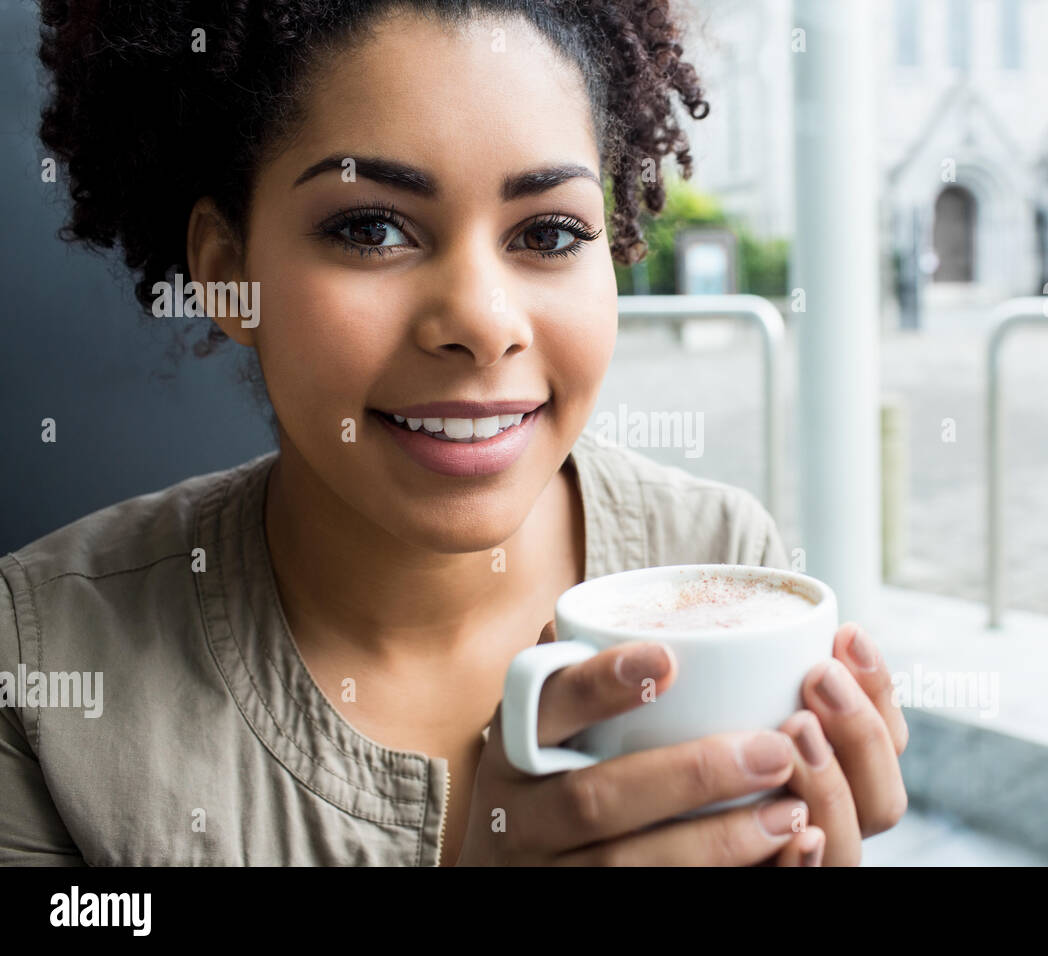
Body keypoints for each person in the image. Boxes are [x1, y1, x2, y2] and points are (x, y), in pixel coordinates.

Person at [1, 0, 907, 866]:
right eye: (371, 228)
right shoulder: (39, 673)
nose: (480, 320)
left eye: (549, 233)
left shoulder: (722, 561)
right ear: (229, 269)